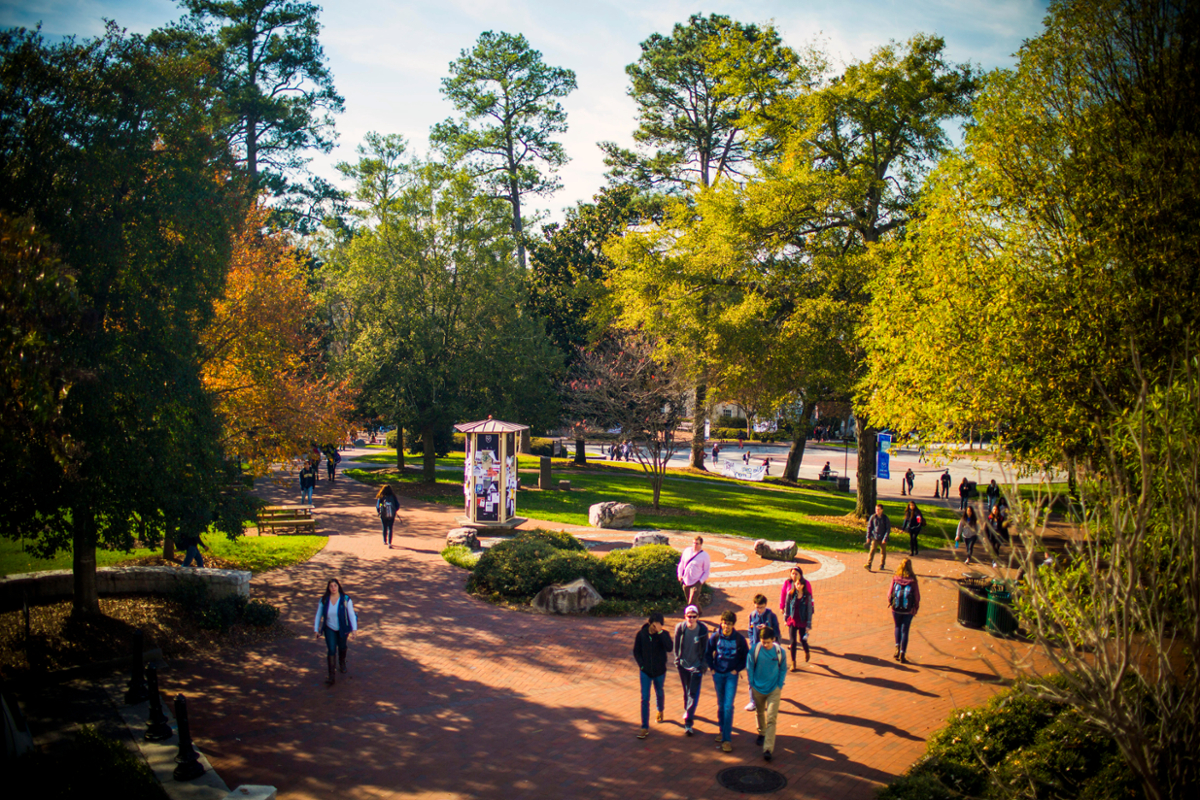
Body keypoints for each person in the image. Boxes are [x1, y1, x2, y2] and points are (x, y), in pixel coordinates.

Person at [706, 610, 748, 753]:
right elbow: (707, 652)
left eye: (729, 624)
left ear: (733, 625)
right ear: (721, 623)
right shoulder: (715, 636)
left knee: (728, 706)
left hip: (731, 675)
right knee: (721, 704)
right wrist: (711, 668)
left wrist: (737, 669)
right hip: (718, 674)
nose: (726, 626)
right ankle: (722, 730)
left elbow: (745, 656)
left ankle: (727, 739)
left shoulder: (739, 639)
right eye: (724, 623)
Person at [746, 625, 787, 762]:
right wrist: (752, 684)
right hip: (758, 688)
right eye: (763, 642)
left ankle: (768, 748)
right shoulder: (755, 650)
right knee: (759, 712)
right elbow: (750, 666)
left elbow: (783, 669)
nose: (765, 645)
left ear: (773, 640)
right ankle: (761, 732)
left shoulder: (780, 652)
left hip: (773, 689)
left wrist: (779, 685)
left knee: (771, 718)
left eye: (768, 642)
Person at [633, 612, 673, 739]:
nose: (655, 628)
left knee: (659, 692)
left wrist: (661, 633)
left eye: (658, 626)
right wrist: (642, 665)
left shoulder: (663, 635)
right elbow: (636, 651)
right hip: (645, 671)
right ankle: (644, 727)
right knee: (645, 698)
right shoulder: (641, 635)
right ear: (650, 623)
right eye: (654, 625)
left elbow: (669, 648)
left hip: (659, 671)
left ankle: (660, 709)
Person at [314, 578, 358, 686]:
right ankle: (331, 676)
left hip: (342, 628)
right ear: (328, 588)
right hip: (329, 628)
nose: (333, 588)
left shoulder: (346, 599)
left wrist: (354, 629)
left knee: (342, 647)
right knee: (331, 649)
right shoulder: (324, 600)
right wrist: (316, 629)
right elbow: (318, 615)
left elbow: (351, 614)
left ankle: (342, 662)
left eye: (335, 585)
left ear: (338, 586)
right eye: (331, 586)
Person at [673, 605, 708, 736]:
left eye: (694, 616)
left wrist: (703, 665)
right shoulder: (680, 628)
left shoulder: (703, 630)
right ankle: (688, 709)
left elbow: (705, 649)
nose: (691, 619)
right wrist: (677, 661)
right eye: (689, 616)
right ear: (685, 616)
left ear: (698, 617)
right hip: (683, 665)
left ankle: (688, 722)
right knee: (686, 690)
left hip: (697, 666)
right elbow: (676, 646)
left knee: (693, 693)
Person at [744, 594, 782, 711]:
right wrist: (752, 643)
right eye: (757, 607)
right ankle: (753, 701)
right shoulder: (753, 615)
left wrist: (766, 628)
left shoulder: (771, 616)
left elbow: (776, 632)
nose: (759, 610)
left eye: (761, 607)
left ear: (765, 605)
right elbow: (750, 630)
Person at [780, 565, 814, 670]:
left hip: (802, 621)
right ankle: (793, 662)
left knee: (802, 639)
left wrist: (808, 625)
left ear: (803, 585)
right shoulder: (791, 593)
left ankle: (806, 650)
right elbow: (787, 605)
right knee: (793, 641)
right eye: (792, 573)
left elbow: (809, 611)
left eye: (799, 584)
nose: (797, 585)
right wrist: (786, 619)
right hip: (793, 621)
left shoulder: (807, 596)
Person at [887, 558, 921, 663]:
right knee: (905, 630)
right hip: (908, 610)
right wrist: (915, 607)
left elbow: (889, 594)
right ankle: (903, 653)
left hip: (896, 608)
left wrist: (891, 603)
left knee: (897, 626)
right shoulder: (913, 580)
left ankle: (897, 646)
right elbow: (917, 597)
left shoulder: (895, 578)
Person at [677, 536, 711, 608]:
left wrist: (700, 581)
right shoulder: (687, 551)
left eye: (697, 544)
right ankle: (699, 612)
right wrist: (680, 575)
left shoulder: (704, 556)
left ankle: (690, 617)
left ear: (701, 544)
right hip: (686, 581)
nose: (695, 545)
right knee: (693, 601)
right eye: (694, 543)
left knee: (691, 603)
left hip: (696, 582)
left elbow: (706, 570)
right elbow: (681, 564)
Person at [865, 504, 891, 571]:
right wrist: (868, 537)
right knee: (872, 550)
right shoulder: (873, 517)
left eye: (878, 509)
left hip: (883, 538)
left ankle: (882, 565)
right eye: (876, 509)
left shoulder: (885, 518)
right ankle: (869, 564)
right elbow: (869, 527)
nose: (877, 511)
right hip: (875, 537)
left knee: (883, 552)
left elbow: (888, 529)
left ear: (882, 510)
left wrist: (885, 538)